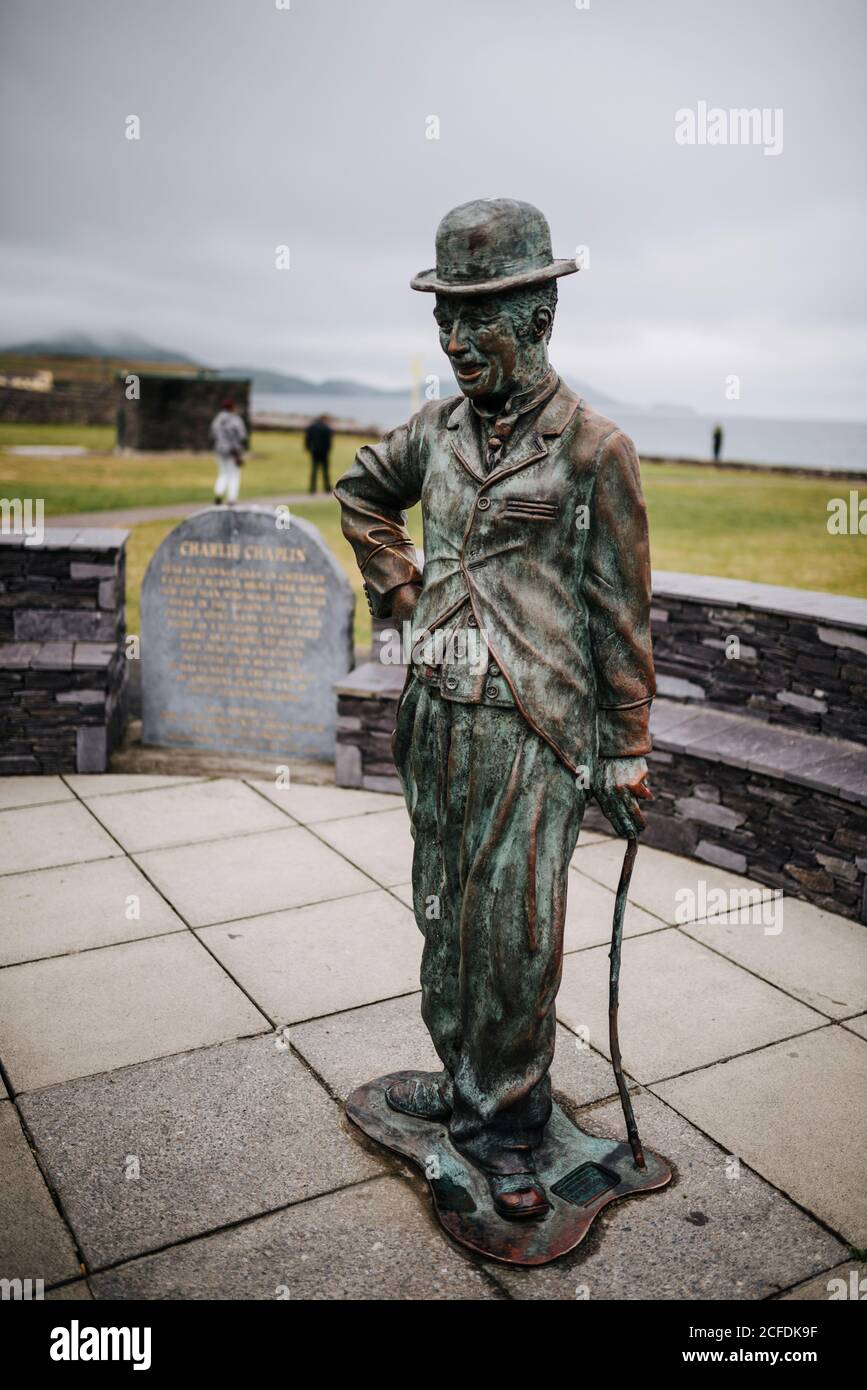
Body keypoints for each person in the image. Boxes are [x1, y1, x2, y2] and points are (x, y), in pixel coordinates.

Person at [335, 199, 654, 1221]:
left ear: (540, 317)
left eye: (480, 319)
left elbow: (620, 616)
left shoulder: (595, 450)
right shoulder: (434, 432)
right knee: (445, 921)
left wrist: (629, 746)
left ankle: (511, 1126)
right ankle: (465, 1080)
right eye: (447, 321)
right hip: (437, 718)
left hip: (533, 729)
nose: (459, 342)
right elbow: (359, 491)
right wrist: (400, 594)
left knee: (515, 934)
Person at [209, 398, 247, 505]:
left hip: (220, 451)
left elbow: (213, 433)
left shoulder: (217, 419)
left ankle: (218, 493)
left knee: (223, 473)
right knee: (234, 475)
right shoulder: (236, 419)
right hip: (233, 452)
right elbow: (242, 435)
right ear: (232, 407)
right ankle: (232, 499)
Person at [304, 413, 334, 493]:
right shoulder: (326, 428)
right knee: (325, 470)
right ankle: (327, 488)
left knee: (314, 470)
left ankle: (312, 488)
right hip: (324, 452)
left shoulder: (312, 427)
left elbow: (307, 439)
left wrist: (308, 448)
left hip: (314, 451)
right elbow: (329, 442)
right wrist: (328, 450)